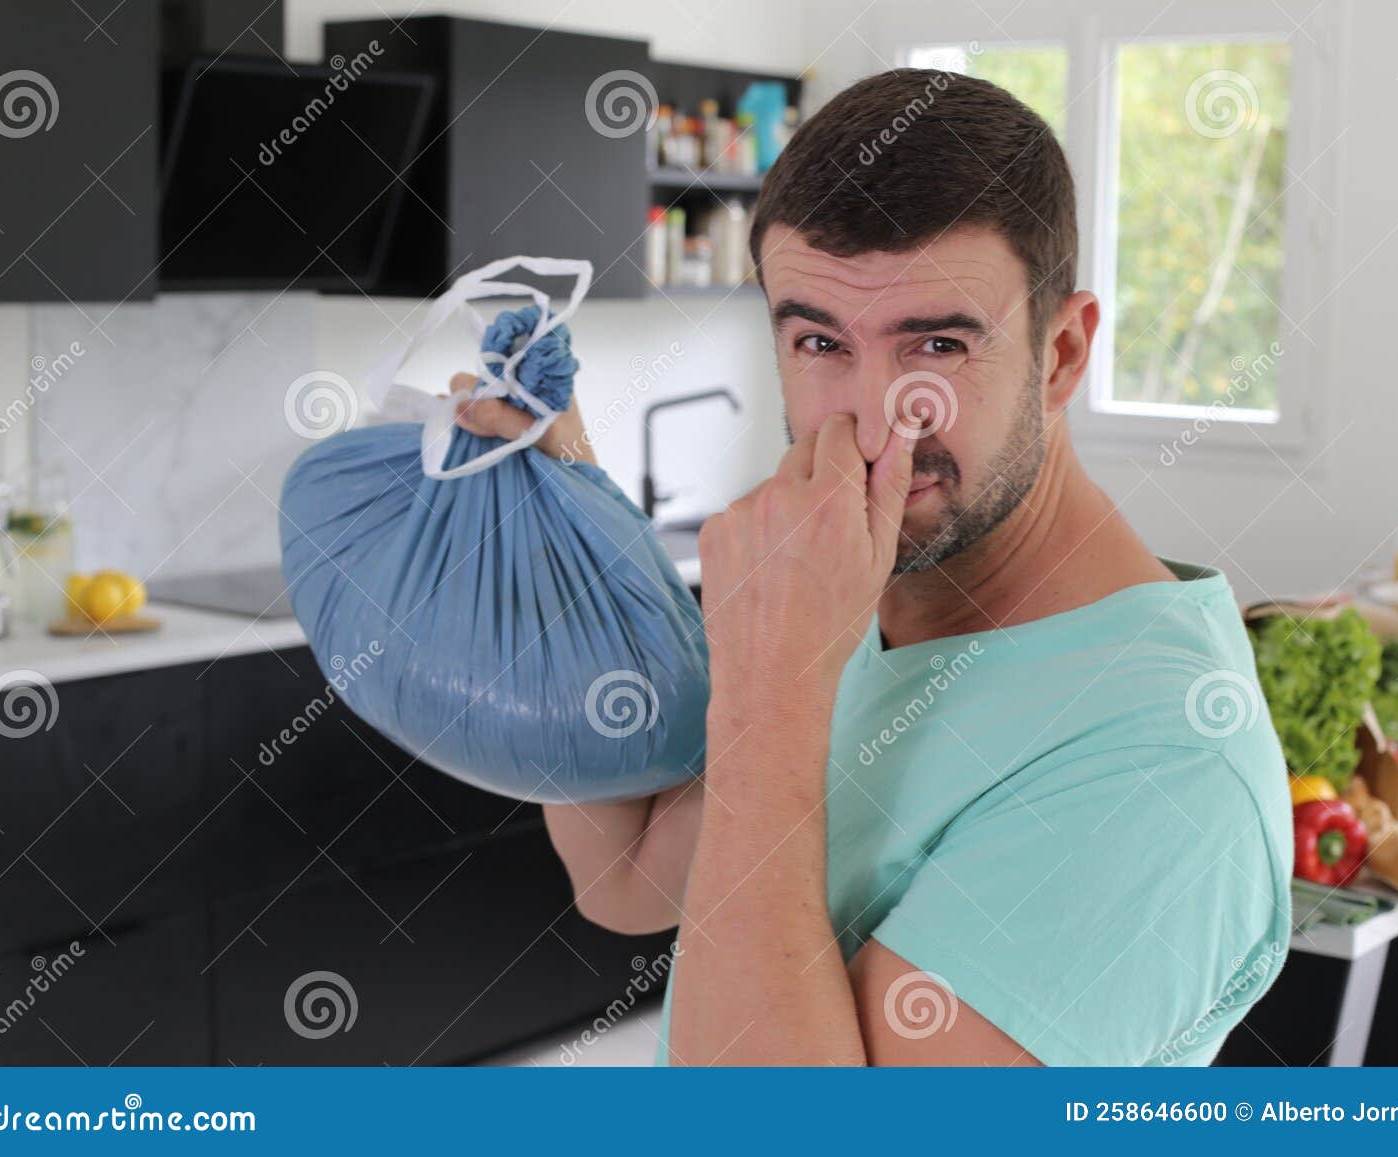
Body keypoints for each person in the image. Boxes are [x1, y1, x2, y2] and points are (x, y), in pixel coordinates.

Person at [450, 69, 1292, 1066]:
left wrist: (771, 694)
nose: (876, 413)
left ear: (1061, 353)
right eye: (819, 339)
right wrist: (566, 522)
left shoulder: (1158, 766)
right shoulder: (845, 598)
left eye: (934, 342)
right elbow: (628, 875)